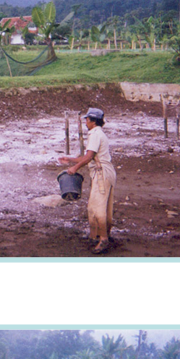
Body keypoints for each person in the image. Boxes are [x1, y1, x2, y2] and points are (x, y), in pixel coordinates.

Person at [58, 107, 115, 254]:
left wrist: (74, 168)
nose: (86, 122)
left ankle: (103, 239)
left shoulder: (95, 134)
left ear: (93, 121)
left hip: (101, 173)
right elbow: (88, 156)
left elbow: (89, 157)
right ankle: (98, 235)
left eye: (87, 120)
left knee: (97, 207)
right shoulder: (99, 133)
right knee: (103, 206)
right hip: (106, 172)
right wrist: (70, 159)